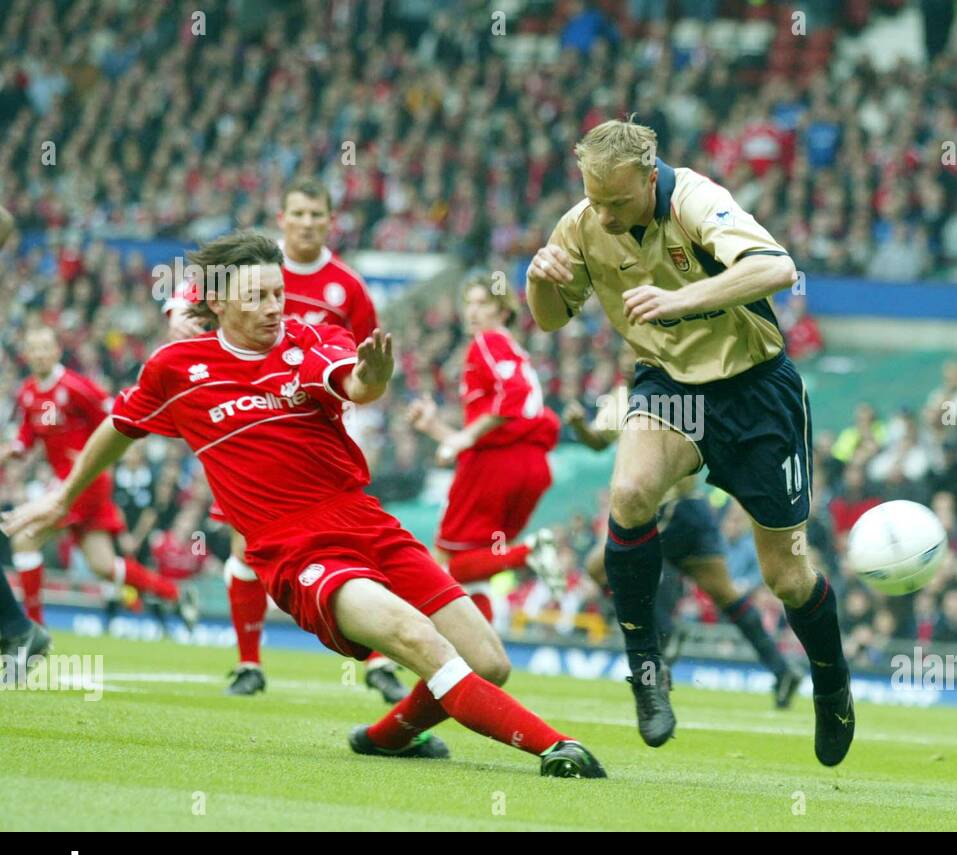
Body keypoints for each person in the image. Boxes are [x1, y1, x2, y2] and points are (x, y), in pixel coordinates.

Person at [3, 230, 604, 778]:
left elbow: (353, 382)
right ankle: (554, 748)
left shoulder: (312, 340)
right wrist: (63, 497)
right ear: (218, 303)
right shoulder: (177, 370)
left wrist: (374, 377)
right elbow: (119, 424)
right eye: (258, 296)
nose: (274, 307)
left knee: (489, 661)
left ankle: (386, 737)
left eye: (278, 293)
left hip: (363, 519)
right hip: (294, 550)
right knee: (417, 638)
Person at [525, 117, 853, 766]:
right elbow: (550, 317)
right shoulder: (584, 221)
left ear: (650, 179)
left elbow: (777, 268)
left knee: (785, 576)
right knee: (631, 492)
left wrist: (682, 299)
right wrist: (539, 279)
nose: (606, 214)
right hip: (670, 387)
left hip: (757, 392)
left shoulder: (696, 198)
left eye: (619, 201)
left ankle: (831, 680)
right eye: (595, 199)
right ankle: (646, 670)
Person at [164, 177, 397, 700]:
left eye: (318, 214)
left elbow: (365, 364)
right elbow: (187, 295)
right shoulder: (253, 265)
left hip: (322, 435)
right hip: (249, 429)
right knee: (246, 545)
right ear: (283, 216)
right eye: (299, 213)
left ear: (330, 220)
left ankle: (382, 656)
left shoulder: (348, 286)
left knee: (356, 540)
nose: (308, 223)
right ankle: (250, 663)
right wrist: (179, 315)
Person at [565, 347, 804, 709]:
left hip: (673, 511)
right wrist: (580, 426)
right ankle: (781, 668)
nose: (629, 358)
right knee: (725, 594)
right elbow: (599, 441)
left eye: (636, 352)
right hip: (686, 513)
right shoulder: (619, 397)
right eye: (625, 352)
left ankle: (667, 630)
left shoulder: (671, 392)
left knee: (604, 567)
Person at [1, 328, 197, 630]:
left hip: (85, 480)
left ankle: (32, 630)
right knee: (104, 566)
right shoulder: (28, 392)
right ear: (26, 354)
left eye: (45, 348)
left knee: (25, 541)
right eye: (33, 349)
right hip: (70, 482)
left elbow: (113, 415)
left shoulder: (75, 386)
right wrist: (12, 450)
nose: (39, 354)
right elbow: (28, 436)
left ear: (56, 351)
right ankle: (174, 594)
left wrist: (95, 452)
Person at [405, 272, 566, 623]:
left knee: (446, 564)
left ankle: (528, 553)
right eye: (470, 303)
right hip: (531, 466)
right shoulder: (512, 348)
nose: (474, 312)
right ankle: (480, 662)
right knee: (479, 565)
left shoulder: (487, 342)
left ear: (503, 310)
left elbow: (515, 396)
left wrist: (464, 437)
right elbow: (498, 425)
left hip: (496, 468)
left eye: (484, 304)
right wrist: (435, 427)